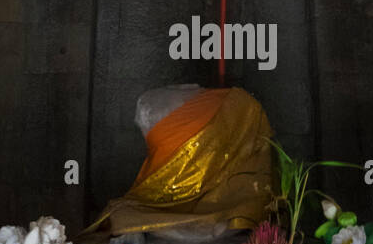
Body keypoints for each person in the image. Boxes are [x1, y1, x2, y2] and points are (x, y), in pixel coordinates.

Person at [86, 84, 274, 236]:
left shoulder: (239, 109)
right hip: (170, 203)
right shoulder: (156, 194)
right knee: (122, 216)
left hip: (225, 208)